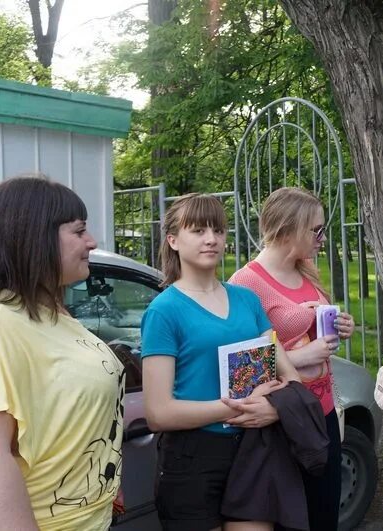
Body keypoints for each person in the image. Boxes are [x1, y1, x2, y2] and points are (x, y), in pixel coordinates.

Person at [141, 193, 301, 531]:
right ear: (173, 240)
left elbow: (290, 376)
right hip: (192, 457)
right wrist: (238, 408)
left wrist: (274, 409)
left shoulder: (247, 299)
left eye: (218, 230)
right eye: (198, 230)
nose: (211, 239)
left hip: (254, 449)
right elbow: (158, 413)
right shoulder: (164, 310)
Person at [0, 175, 123, 530]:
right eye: (79, 231)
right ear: (35, 237)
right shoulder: (4, 325)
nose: (92, 242)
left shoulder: (52, 314)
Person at [228, 186, 355, 531]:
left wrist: (342, 327)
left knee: (323, 514)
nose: (322, 237)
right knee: (293, 520)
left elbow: (313, 327)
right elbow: (240, 370)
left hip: (321, 413)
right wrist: (300, 358)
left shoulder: (307, 270)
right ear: (290, 227)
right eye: (316, 229)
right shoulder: (245, 282)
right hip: (282, 421)